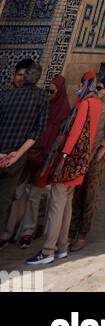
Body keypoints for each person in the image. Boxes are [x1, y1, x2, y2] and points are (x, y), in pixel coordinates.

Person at [26, 73, 101, 268]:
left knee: (56, 206)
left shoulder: (84, 103)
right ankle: (62, 246)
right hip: (82, 160)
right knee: (67, 204)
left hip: (68, 161)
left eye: (81, 82)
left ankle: (48, 250)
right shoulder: (97, 103)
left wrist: (64, 157)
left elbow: (75, 131)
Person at [1, 73, 70, 247]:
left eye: (53, 90)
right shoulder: (41, 104)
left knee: (34, 196)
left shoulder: (64, 112)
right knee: (17, 193)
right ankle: (7, 232)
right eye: (48, 90)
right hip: (27, 155)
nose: (50, 93)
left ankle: (27, 232)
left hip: (45, 160)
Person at [69, 74, 105, 251]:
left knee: (90, 194)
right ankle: (70, 231)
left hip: (95, 157)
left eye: (100, 88)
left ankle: (82, 234)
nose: (96, 91)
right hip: (82, 155)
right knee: (76, 194)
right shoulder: (90, 103)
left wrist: (99, 154)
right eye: (96, 87)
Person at [0, 59, 48, 231]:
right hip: (16, 158)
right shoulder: (41, 96)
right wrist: (16, 154)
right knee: (4, 201)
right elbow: (37, 132)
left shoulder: (6, 95)